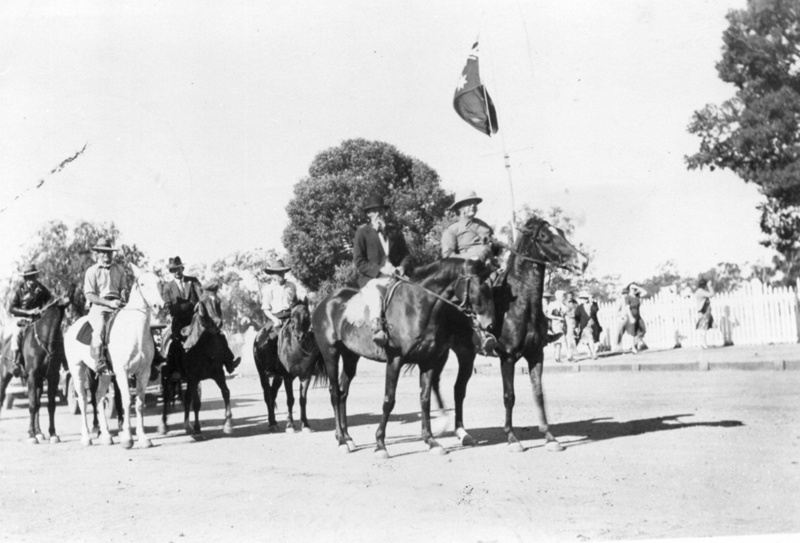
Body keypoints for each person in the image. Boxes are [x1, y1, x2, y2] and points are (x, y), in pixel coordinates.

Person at [353, 194, 411, 346]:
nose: (378, 214)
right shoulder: (362, 233)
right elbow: (359, 262)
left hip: (396, 277)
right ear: (368, 214)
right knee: (375, 294)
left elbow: (406, 255)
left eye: (380, 210)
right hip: (372, 279)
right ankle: (376, 328)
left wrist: (402, 267)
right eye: (373, 211)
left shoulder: (395, 232)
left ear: (385, 212)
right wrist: (381, 270)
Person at [83, 238, 129, 375]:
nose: (106, 255)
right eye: (103, 252)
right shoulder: (92, 271)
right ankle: (99, 361)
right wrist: (109, 303)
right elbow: (90, 295)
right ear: (97, 253)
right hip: (99, 306)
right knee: (99, 329)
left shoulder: (119, 269)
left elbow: (123, 287)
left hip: (117, 304)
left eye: (109, 253)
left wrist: (123, 294)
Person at [183, 280, 240, 374]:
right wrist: (208, 326)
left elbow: (217, 313)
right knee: (193, 340)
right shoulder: (203, 300)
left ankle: (229, 364)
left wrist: (216, 324)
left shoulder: (214, 299)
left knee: (221, 337)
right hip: (199, 323)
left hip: (211, 325)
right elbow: (202, 317)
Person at [8, 264, 53, 378]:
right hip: (22, 319)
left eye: (33, 276)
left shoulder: (42, 289)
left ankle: (57, 360)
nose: (32, 280)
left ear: (36, 276)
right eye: (29, 277)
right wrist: (28, 312)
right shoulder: (19, 290)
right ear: (25, 278)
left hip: (38, 319)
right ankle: (16, 362)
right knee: (16, 334)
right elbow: (12, 308)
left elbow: (50, 302)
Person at [162, 256, 202, 374]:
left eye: (178, 269)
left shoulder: (193, 280)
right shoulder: (167, 287)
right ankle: (175, 370)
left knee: (215, 333)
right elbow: (167, 306)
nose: (176, 272)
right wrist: (179, 308)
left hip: (195, 318)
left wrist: (199, 304)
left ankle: (228, 362)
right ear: (171, 272)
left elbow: (201, 296)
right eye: (173, 270)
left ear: (182, 268)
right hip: (179, 320)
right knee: (174, 342)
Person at [441, 190, 496, 262]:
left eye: (474, 203)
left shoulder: (484, 225)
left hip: (490, 267)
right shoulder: (452, 230)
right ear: (460, 207)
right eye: (469, 203)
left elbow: (496, 251)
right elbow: (447, 256)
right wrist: (471, 257)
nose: (473, 205)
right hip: (468, 269)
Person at [260, 259, 302, 341]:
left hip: (291, 316)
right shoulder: (269, 289)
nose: (280, 274)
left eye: (282, 272)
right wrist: (275, 320)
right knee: (269, 340)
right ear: (272, 274)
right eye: (277, 272)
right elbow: (266, 309)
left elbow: (296, 302)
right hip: (277, 318)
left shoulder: (291, 285)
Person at [575, 291, 600, 360]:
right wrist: (576, 326)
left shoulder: (593, 305)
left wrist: (592, 302)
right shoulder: (579, 307)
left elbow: (596, 310)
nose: (584, 300)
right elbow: (577, 317)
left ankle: (589, 352)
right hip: (585, 326)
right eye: (582, 298)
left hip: (594, 325)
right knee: (590, 337)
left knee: (589, 339)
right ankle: (594, 353)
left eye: (586, 298)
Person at [694, 277, 715, 349]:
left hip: (702, 311)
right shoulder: (701, 292)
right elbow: (712, 294)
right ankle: (703, 344)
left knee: (702, 327)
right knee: (703, 327)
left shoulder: (698, 291)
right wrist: (710, 286)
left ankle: (702, 343)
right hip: (704, 311)